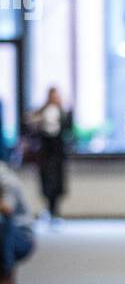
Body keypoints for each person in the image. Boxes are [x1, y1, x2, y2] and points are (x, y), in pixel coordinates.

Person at [29, 87, 73, 221]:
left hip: (58, 153)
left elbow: (68, 130)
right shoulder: (40, 113)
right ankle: (49, 209)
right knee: (47, 182)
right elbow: (30, 130)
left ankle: (55, 211)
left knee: (57, 183)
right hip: (45, 153)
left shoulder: (63, 113)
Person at [0, 159, 36, 284]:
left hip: (22, 238)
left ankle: (6, 273)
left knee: (3, 222)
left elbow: (7, 209)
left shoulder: (7, 182)